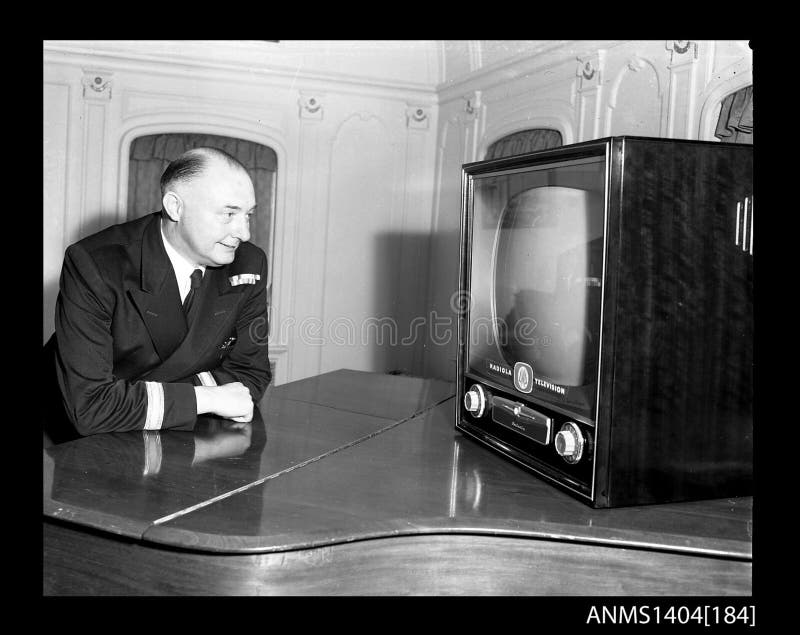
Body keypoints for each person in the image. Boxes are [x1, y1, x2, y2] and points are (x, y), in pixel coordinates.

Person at [46, 147, 271, 439]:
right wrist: (207, 398)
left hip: (173, 436)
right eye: (229, 214)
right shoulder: (95, 263)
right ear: (175, 207)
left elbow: (250, 375)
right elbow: (89, 407)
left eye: (248, 215)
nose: (244, 233)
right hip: (72, 438)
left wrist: (134, 397)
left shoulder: (248, 262)